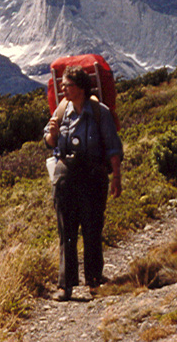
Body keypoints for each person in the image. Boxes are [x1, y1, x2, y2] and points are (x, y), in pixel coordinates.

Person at [44, 66, 123, 301]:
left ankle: (94, 280)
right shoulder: (61, 111)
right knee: (66, 231)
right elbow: (49, 141)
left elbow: (113, 147)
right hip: (66, 177)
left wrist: (116, 177)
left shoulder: (101, 112)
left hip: (93, 176)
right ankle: (65, 285)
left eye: (67, 85)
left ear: (80, 87)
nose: (63, 89)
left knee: (92, 229)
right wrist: (54, 134)